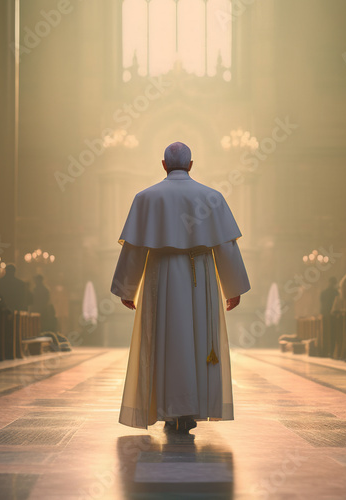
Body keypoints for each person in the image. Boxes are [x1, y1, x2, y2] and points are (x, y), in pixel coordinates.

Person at [112, 142, 250, 434]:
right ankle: (191, 410)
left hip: (159, 274)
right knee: (199, 341)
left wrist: (127, 287)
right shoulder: (212, 198)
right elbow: (226, 245)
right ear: (191, 165)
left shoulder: (146, 198)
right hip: (200, 274)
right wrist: (233, 287)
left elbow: (134, 248)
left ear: (163, 165)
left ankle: (168, 409)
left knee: (165, 340)